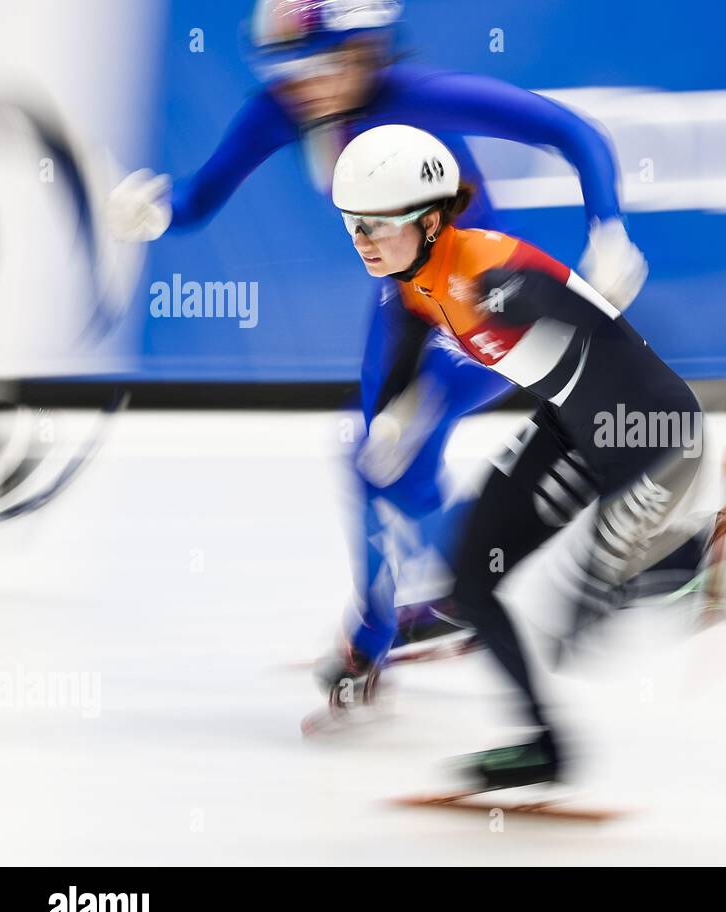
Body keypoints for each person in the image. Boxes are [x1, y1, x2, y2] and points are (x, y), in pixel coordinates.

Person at [105, 0, 650, 669]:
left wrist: (609, 231)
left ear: (366, 51)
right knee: (374, 458)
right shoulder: (280, 110)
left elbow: (574, 133)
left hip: (481, 301)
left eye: (317, 66)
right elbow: (200, 197)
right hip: (404, 304)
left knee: (394, 443)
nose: (301, 89)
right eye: (285, 72)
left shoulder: (421, 96)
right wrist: (156, 211)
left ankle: (461, 595)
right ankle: (415, 610)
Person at [331, 124, 712, 790]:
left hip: (643, 430)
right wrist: (394, 418)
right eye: (352, 225)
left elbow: (571, 315)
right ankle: (545, 746)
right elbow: (401, 360)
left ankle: (692, 558)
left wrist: (597, 277)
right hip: (573, 426)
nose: (362, 241)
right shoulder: (410, 283)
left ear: (427, 221)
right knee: (471, 581)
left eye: (375, 225)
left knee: (584, 621)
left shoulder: (485, 274)